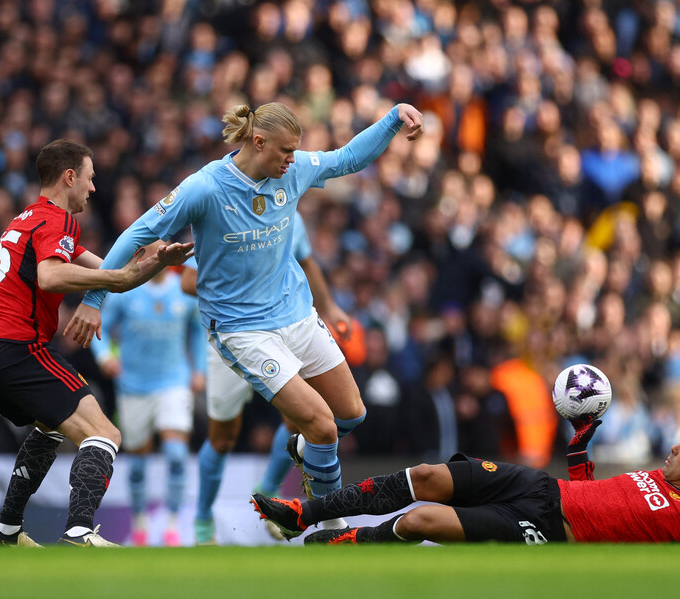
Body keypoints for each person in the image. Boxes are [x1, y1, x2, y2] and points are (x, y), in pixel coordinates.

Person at [65, 101, 424, 537]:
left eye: (295, 152)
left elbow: (347, 158)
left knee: (351, 414)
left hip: (296, 314)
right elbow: (137, 235)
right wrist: (94, 298)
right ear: (258, 142)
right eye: (286, 151)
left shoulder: (291, 172)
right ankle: (329, 527)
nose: (293, 160)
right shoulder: (205, 188)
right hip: (242, 330)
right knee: (321, 426)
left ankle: (301, 452)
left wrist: (393, 117)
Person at [0, 139, 193, 547]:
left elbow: (113, 272)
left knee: (51, 429)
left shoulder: (26, 220)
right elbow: (53, 277)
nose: (93, 188)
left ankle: (6, 533)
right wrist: (112, 282)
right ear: (70, 177)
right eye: (90, 178)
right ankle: (79, 531)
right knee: (104, 433)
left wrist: (158, 261)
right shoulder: (58, 219)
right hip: (15, 348)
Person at [251, 417, 680, 544]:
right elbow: (593, 489)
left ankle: (336, 543)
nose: (675, 447)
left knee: (419, 521)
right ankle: (301, 512)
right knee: (428, 475)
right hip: (542, 484)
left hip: (543, 524)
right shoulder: (659, 477)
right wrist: (578, 445)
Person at [180, 211, 354, 545]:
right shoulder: (224, 214)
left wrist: (330, 307)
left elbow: (306, 261)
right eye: (283, 154)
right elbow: (188, 281)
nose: (287, 162)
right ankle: (203, 523)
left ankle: (271, 493)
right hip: (232, 339)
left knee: (302, 419)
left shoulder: (291, 215)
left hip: (280, 335)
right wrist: (238, 287)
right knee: (223, 437)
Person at [89, 252, 205, 547]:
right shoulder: (125, 294)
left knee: (177, 456)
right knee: (138, 464)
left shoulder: (183, 290)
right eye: (151, 254)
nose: (156, 259)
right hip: (133, 386)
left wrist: (199, 369)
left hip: (173, 383)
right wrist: (105, 357)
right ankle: (139, 522)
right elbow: (97, 325)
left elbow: (197, 332)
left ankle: (172, 524)